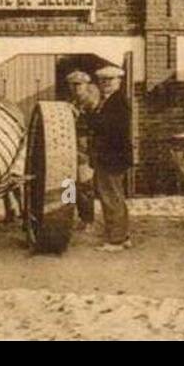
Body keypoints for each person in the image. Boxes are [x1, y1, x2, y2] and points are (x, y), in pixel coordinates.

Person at [86, 64, 132, 251]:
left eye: (110, 80)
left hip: (111, 156)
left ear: (119, 82)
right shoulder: (111, 101)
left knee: (110, 198)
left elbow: (109, 128)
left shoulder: (117, 102)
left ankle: (116, 241)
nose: (105, 84)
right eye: (103, 81)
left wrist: (91, 117)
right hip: (112, 156)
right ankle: (123, 236)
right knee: (116, 197)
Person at [65, 70, 101, 230]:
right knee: (68, 183)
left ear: (86, 85)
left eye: (78, 84)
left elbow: (93, 125)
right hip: (71, 146)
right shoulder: (73, 101)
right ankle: (68, 217)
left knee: (84, 184)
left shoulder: (92, 101)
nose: (75, 88)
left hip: (85, 148)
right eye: (72, 85)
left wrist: (76, 115)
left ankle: (87, 220)